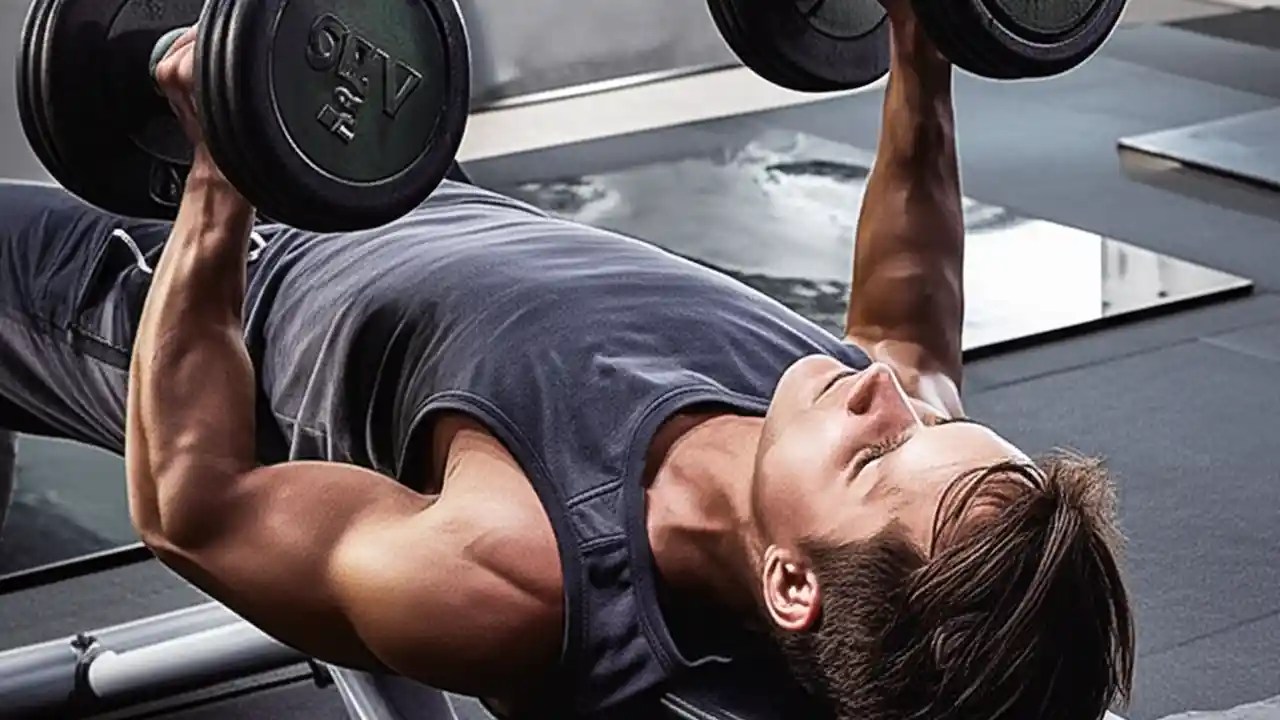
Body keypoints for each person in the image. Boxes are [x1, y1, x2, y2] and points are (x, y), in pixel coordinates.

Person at [0, 1, 1134, 718]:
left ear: (791, 584)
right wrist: (918, 52)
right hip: (386, 187)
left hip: (192, 300)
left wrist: (218, 175)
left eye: (878, 455)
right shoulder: (859, 453)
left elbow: (195, 510)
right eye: (935, 426)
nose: (888, 396)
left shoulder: (519, 570)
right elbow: (909, 318)